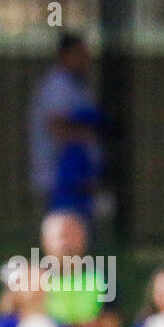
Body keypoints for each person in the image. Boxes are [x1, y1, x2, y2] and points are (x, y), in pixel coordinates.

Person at [29, 34, 101, 216]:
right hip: (56, 177)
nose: (86, 60)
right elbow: (57, 126)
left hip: (76, 177)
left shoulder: (76, 85)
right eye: (80, 55)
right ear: (66, 55)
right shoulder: (57, 86)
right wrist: (88, 137)